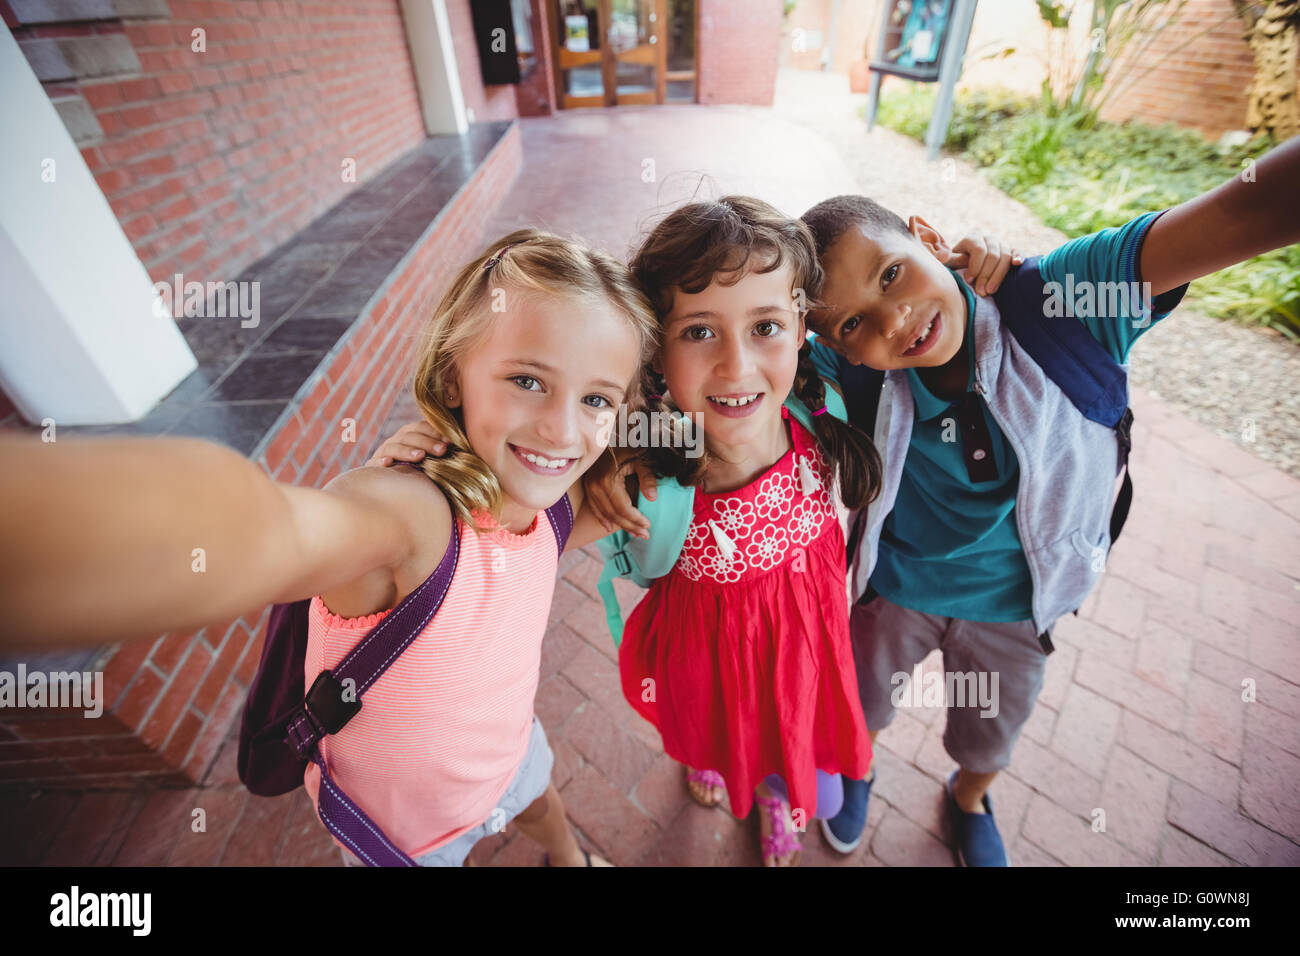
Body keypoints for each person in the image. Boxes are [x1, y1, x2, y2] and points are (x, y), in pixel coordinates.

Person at [373, 198, 1021, 866]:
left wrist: (983, 265)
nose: (737, 365)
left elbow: (908, 309)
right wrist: (444, 469)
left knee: (788, 738)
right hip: (707, 660)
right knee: (717, 733)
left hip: (807, 647)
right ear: (657, 357)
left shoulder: (825, 405)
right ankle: (720, 764)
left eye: (765, 325)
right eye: (699, 332)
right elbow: (506, 536)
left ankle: (776, 794)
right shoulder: (644, 472)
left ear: (806, 330)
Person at [0, 228, 658, 867]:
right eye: (527, 380)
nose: (563, 427)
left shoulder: (554, 516)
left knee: (542, 806)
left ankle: (568, 857)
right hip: (397, 831)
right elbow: (266, 530)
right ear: (453, 378)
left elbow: (680, 454)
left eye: (596, 398)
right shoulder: (412, 520)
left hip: (508, 754)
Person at [799, 135, 1300, 866]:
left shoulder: (1058, 303)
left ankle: (968, 797)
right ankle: (859, 769)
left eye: (893, 273)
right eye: (851, 324)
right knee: (860, 710)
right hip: (894, 590)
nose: (892, 320)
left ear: (930, 238)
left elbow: (1245, 208)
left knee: (990, 731)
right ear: (837, 347)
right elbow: (746, 344)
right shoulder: (848, 375)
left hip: (1017, 605)